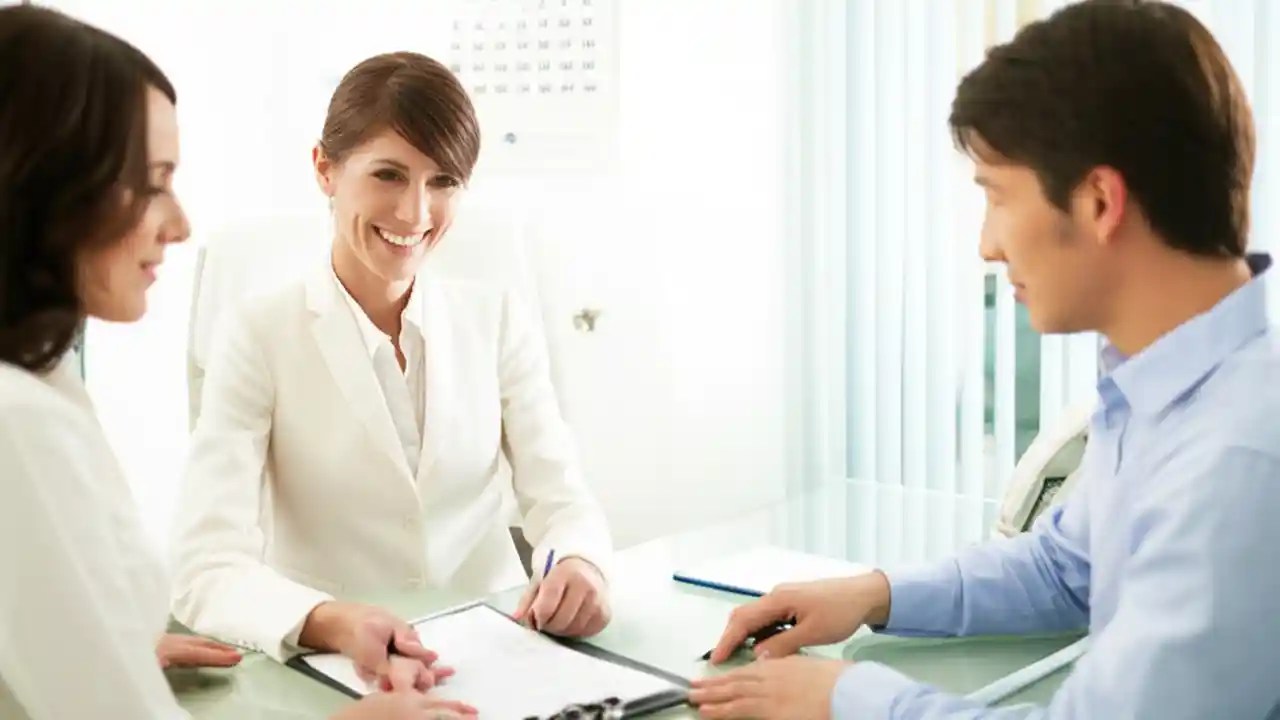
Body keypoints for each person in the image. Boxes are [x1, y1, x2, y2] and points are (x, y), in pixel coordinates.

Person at [690, 1, 1280, 718]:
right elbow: (1068, 567)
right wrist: (874, 595)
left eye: (997, 197)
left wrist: (849, 699)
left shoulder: (1238, 461)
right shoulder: (1162, 386)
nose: (987, 245)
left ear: (1099, 202)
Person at [0, 6, 475, 719]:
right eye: (151, 180)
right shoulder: (22, 424)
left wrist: (107, 644)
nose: (181, 223)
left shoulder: (42, 386)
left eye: (443, 182)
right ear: (44, 183)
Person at [168, 50, 613, 683]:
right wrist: (331, 620)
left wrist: (580, 564)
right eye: (388, 175)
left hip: (503, 654)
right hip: (341, 671)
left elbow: (562, 499)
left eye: (443, 182)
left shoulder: (496, 317)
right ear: (325, 169)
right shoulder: (259, 331)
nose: (415, 214)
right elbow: (205, 567)